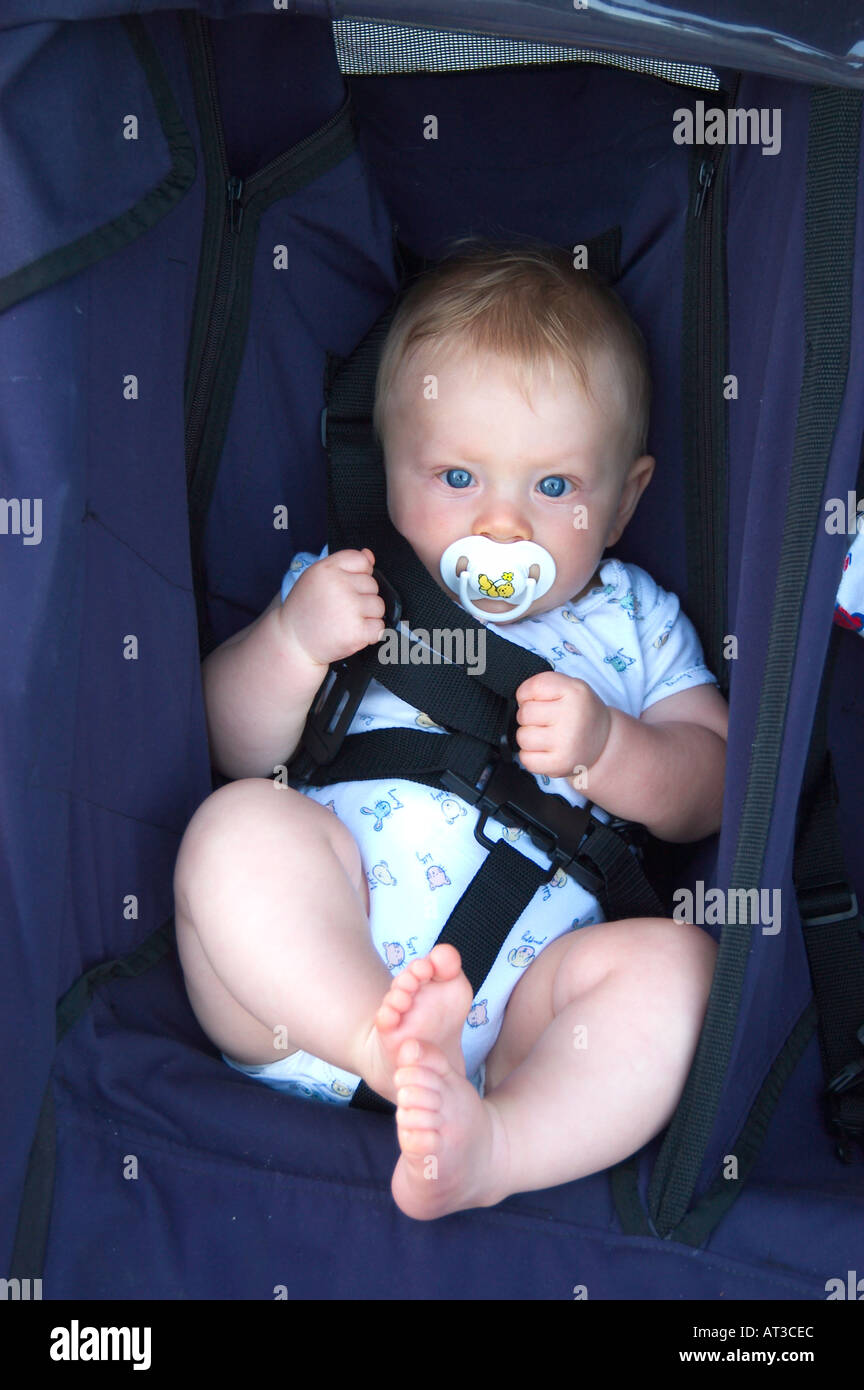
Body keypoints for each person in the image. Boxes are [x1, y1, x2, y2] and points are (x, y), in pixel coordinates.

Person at [173, 240, 729, 1221]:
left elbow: (714, 787)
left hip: (519, 1032)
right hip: (299, 995)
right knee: (234, 827)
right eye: (459, 476)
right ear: (389, 469)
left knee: (683, 969)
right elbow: (228, 738)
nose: (504, 525)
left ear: (627, 497)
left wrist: (614, 750)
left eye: (554, 488)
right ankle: (381, 1045)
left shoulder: (636, 622)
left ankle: (498, 1144)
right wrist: (293, 642)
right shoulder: (353, 582)